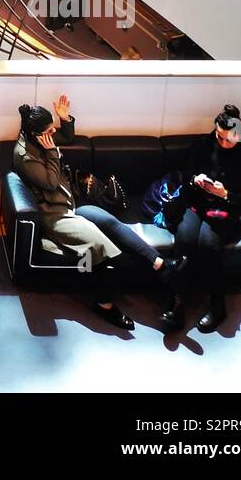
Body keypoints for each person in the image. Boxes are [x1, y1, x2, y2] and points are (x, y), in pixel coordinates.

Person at [13, 97, 185, 330]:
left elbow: (66, 137)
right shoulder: (24, 156)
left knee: (110, 223)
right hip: (55, 216)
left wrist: (65, 120)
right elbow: (51, 182)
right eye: (49, 130)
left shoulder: (42, 140)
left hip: (71, 204)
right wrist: (53, 151)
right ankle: (104, 305)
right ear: (36, 135)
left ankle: (161, 265)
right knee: (101, 248)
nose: (53, 132)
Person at [162, 103, 241, 333]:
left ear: (238, 135)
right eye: (219, 137)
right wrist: (196, 179)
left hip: (225, 208)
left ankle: (217, 304)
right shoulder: (203, 144)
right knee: (185, 239)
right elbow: (185, 172)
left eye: (228, 139)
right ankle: (177, 301)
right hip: (196, 203)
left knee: (208, 244)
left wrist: (226, 193)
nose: (223, 143)